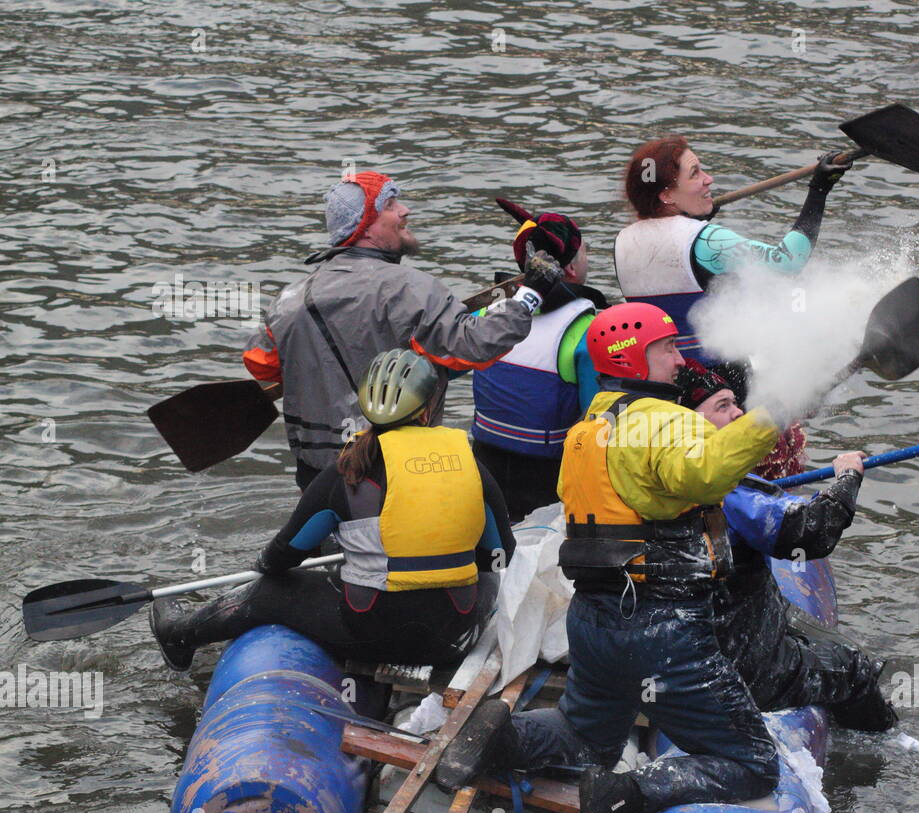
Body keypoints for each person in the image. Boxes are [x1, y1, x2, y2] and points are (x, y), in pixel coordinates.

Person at [434, 303, 787, 813]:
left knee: (583, 735)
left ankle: (503, 739)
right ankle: (626, 792)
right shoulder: (662, 421)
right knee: (750, 763)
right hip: (664, 628)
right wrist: (772, 414)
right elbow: (705, 471)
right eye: (668, 347)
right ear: (633, 355)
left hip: (595, 620)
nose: (679, 357)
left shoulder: (586, 430)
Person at [150, 349, 515, 672]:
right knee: (484, 577)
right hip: (450, 636)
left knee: (270, 590)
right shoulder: (469, 463)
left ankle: (180, 635)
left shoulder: (345, 472)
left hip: (374, 634)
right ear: (427, 410)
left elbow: (282, 558)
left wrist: (264, 566)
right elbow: (500, 554)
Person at [243, 171, 564, 490]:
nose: (404, 210)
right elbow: (474, 347)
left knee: (328, 541)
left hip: (318, 476)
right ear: (364, 225)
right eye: (391, 204)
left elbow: (262, 364)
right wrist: (528, 296)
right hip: (393, 470)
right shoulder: (413, 290)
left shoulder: (288, 300)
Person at [676, 359, 897, 731]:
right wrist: (846, 480)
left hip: (686, 644)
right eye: (722, 406)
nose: (738, 413)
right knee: (855, 668)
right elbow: (810, 532)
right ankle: (888, 749)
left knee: (810, 632)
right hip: (735, 665)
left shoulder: (654, 467)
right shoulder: (725, 488)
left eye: (735, 402)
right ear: (690, 420)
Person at [613, 136, 853, 366]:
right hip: (719, 382)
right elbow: (788, 262)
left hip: (663, 373)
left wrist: (691, 217)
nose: (709, 179)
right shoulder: (707, 240)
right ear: (667, 195)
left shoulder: (623, 241)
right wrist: (819, 190)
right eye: (695, 174)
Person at [469, 199, 610, 522]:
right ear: (572, 269)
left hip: (483, 472)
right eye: (585, 251)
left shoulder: (483, 317)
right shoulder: (587, 332)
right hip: (546, 482)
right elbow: (596, 426)